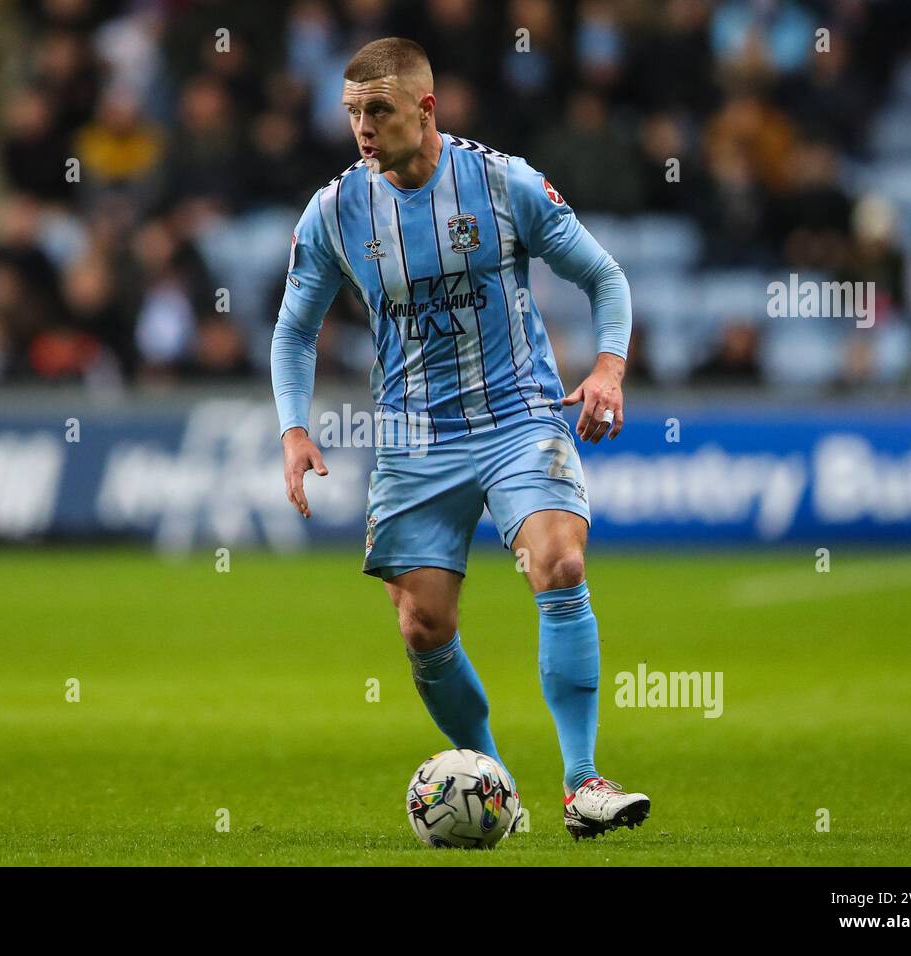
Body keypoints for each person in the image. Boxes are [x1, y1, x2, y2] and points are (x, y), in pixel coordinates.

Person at [270, 37, 648, 840]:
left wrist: (608, 368)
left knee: (561, 559)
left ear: (425, 108)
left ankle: (583, 782)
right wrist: (294, 429)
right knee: (423, 626)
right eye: (352, 114)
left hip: (517, 414)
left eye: (379, 110)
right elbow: (294, 332)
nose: (363, 129)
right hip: (414, 437)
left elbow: (604, 277)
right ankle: (494, 785)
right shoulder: (336, 210)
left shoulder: (503, 183)